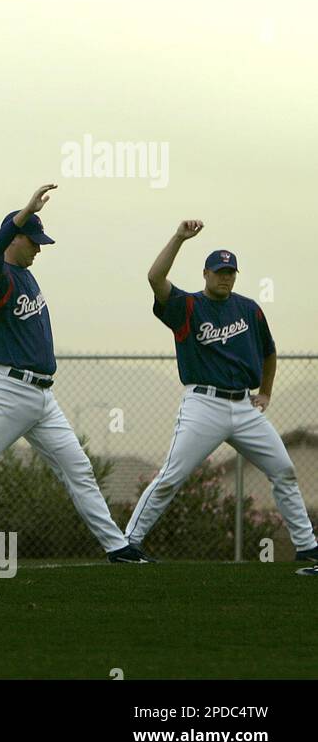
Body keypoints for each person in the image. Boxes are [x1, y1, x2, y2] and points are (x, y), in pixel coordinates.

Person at [0, 184, 148, 564]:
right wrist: (22, 213)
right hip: (6, 391)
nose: (39, 248)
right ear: (15, 237)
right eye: (33, 240)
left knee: (79, 468)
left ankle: (117, 547)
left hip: (42, 397)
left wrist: (25, 222)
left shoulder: (26, 275)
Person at [126, 222, 317, 562]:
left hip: (244, 406)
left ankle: (306, 546)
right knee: (171, 477)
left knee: (283, 470)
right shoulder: (187, 306)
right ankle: (128, 543)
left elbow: (269, 352)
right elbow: (154, 278)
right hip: (203, 404)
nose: (225, 278)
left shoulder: (249, 309)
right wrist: (179, 238)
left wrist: (266, 393)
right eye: (219, 272)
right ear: (205, 274)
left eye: (230, 272)